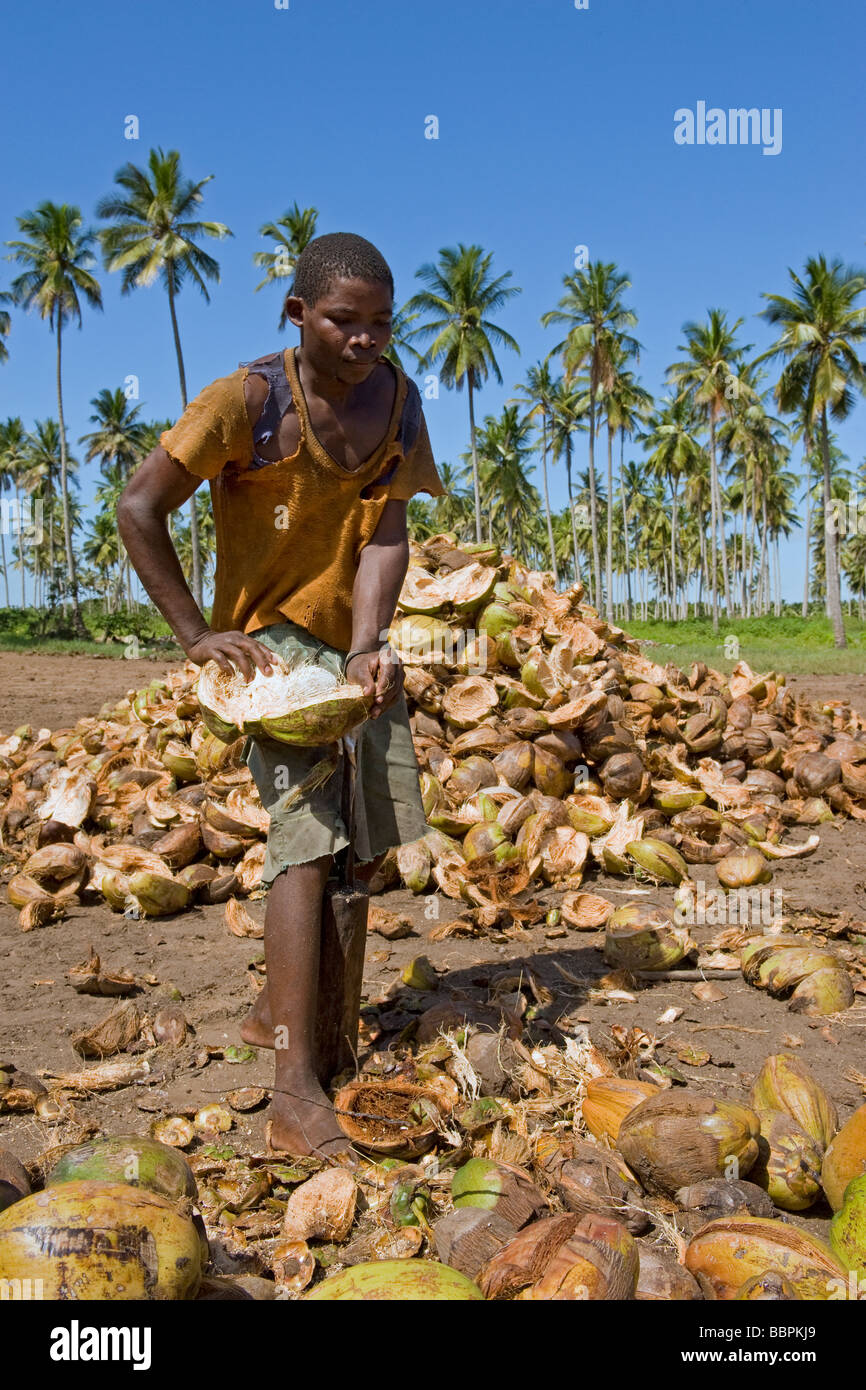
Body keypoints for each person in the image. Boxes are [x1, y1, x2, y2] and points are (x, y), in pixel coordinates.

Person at [118, 232, 444, 1156]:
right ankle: (295, 1088)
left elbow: (386, 530)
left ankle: (284, 1015)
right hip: (269, 653)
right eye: (344, 320)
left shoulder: (401, 403)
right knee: (306, 843)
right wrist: (196, 636)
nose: (365, 339)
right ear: (298, 314)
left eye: (381, 322)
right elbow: (139, 508)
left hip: (353, 650)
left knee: (369, 845)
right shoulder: (245, 401)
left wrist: (372, 643)